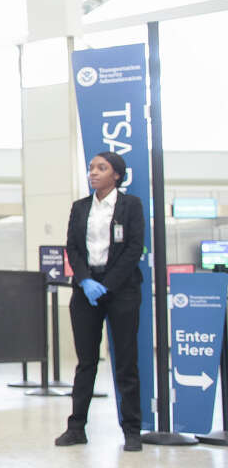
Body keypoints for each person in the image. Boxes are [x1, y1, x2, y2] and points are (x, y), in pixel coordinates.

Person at [55, 150, 144, 452]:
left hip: (122, 289)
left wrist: (107, 285)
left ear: (116, 174)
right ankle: (76, 428)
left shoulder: (131, 205)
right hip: (86, 290)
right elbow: (72, 247)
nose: (93, 172)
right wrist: (86, 280)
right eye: (91, 168)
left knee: (126, 362)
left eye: (101, 168)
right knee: (86, 362)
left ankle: (132, 430)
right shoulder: (80, 208)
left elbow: (134, 249)